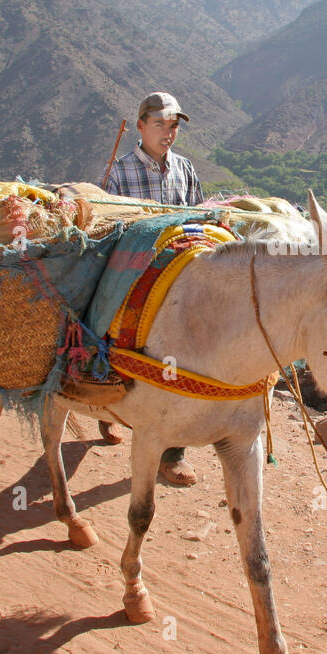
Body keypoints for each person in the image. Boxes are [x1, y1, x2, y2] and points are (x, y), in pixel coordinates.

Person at [100, 91, 205, 486]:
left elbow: (198, 217)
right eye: (159, 124)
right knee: (108, 331)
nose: (168, 132)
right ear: (140, 125)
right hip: (134, 272)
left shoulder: (186, 169)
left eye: (174, 125)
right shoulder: (120, 171)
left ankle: (173, 450)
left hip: (179, 275)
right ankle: (106, 408)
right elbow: (110, 227)